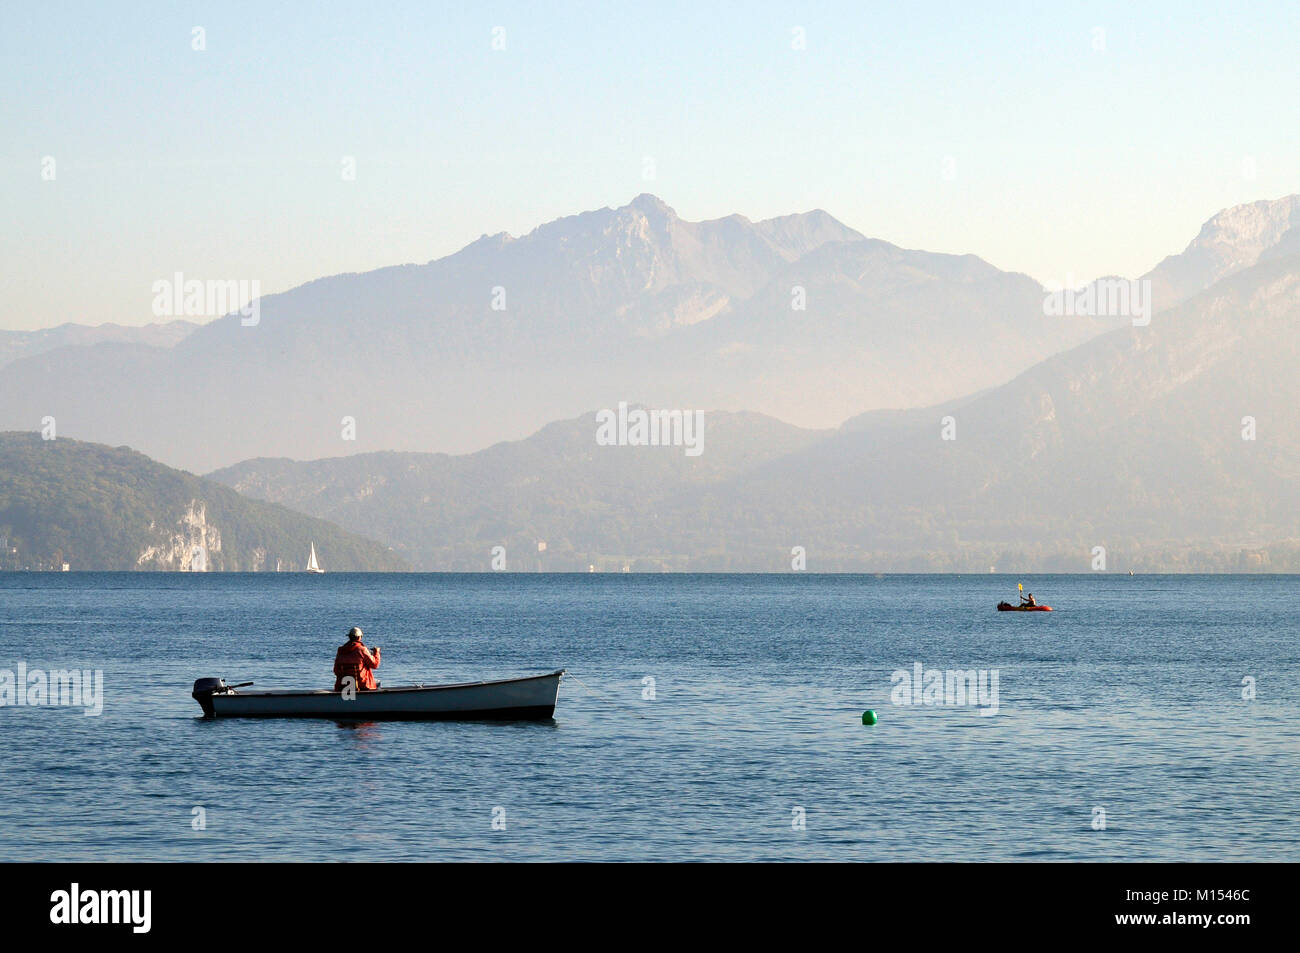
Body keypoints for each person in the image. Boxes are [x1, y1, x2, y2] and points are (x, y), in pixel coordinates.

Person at [333, 626, 381, 691]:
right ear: (359, 637)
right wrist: (376, 653)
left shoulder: (340, 650)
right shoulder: (362, 650)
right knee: (378, 682)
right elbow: (375, 665)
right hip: (361, 685)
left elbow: (336, 670)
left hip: (343, 685)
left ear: (349, 637)